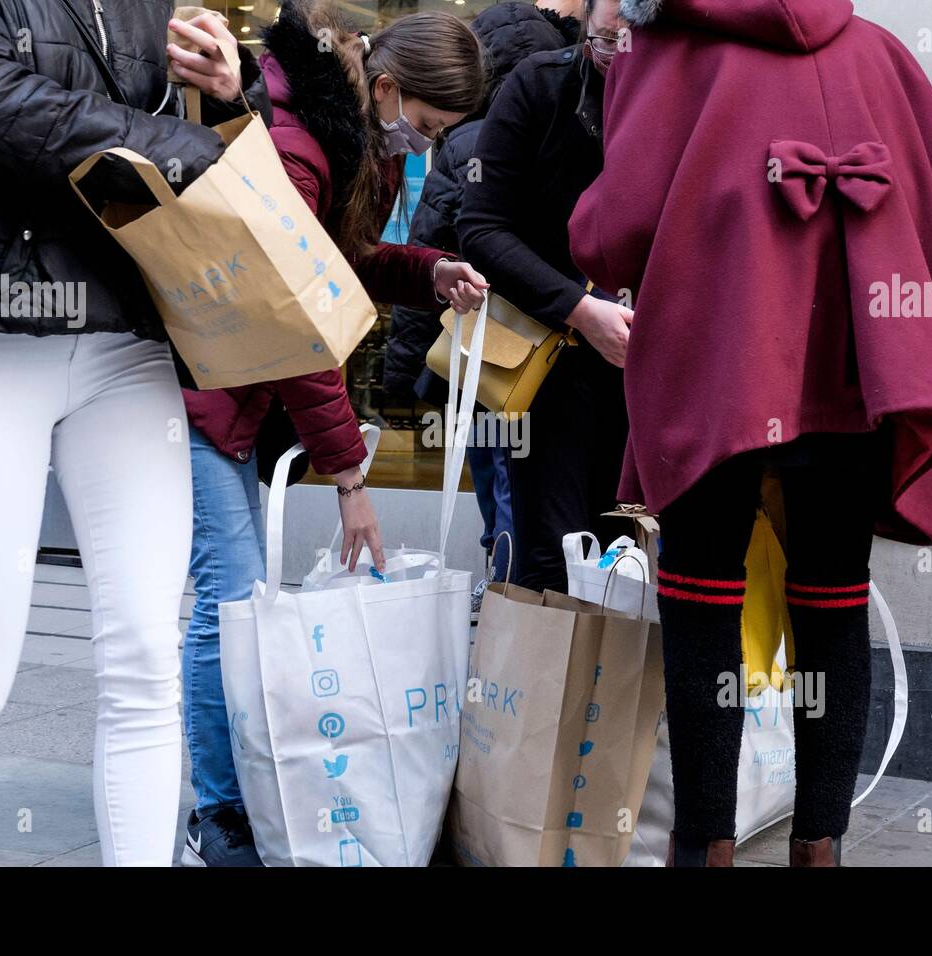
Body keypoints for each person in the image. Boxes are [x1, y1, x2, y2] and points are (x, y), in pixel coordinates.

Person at [570, 0, 932, 866]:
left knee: (703, 611)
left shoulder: (667, 46)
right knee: (833, 604)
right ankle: (820, 849)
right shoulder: (885, 53)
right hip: (859, 368)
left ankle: (708, 850)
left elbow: (612, 232)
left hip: (721, 362)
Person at [0, 1, 272, 868]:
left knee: (146, 661)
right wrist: (190, 152)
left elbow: (175, 124)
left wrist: (229, 95)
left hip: (123, 332)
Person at [178, 0, 487, 866]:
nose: (423, 147)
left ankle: (236, 795)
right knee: (229, 601)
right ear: (384, 87)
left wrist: (429, 271)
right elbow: (294, 315)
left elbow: (339, 265)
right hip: (200, 389)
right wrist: (350, 476)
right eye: (422, 126)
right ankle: (223, 815)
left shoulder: (352, 148)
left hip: (239, 390)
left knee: (229, 598)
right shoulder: (296, 146)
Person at [383, 1, 581, 610]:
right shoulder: (580, 124)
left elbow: (429, 238)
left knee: (496, 470)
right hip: (569, 351)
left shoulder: (466, 137)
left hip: (487, 349)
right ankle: (540, 591)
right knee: (546, 487)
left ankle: (503, 581)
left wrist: (401, 371)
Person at [457, 0, 631, 597]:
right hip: (551, 359)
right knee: (551, 558)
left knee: (635, 555)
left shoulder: (698, 91)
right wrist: (581, 309)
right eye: (603, 40)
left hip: (661, 371)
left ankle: (621, 690)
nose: (614, 56)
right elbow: (480, 227)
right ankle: (547, 688)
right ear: (583, 23)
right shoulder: (540, 84)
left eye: (629, 40)